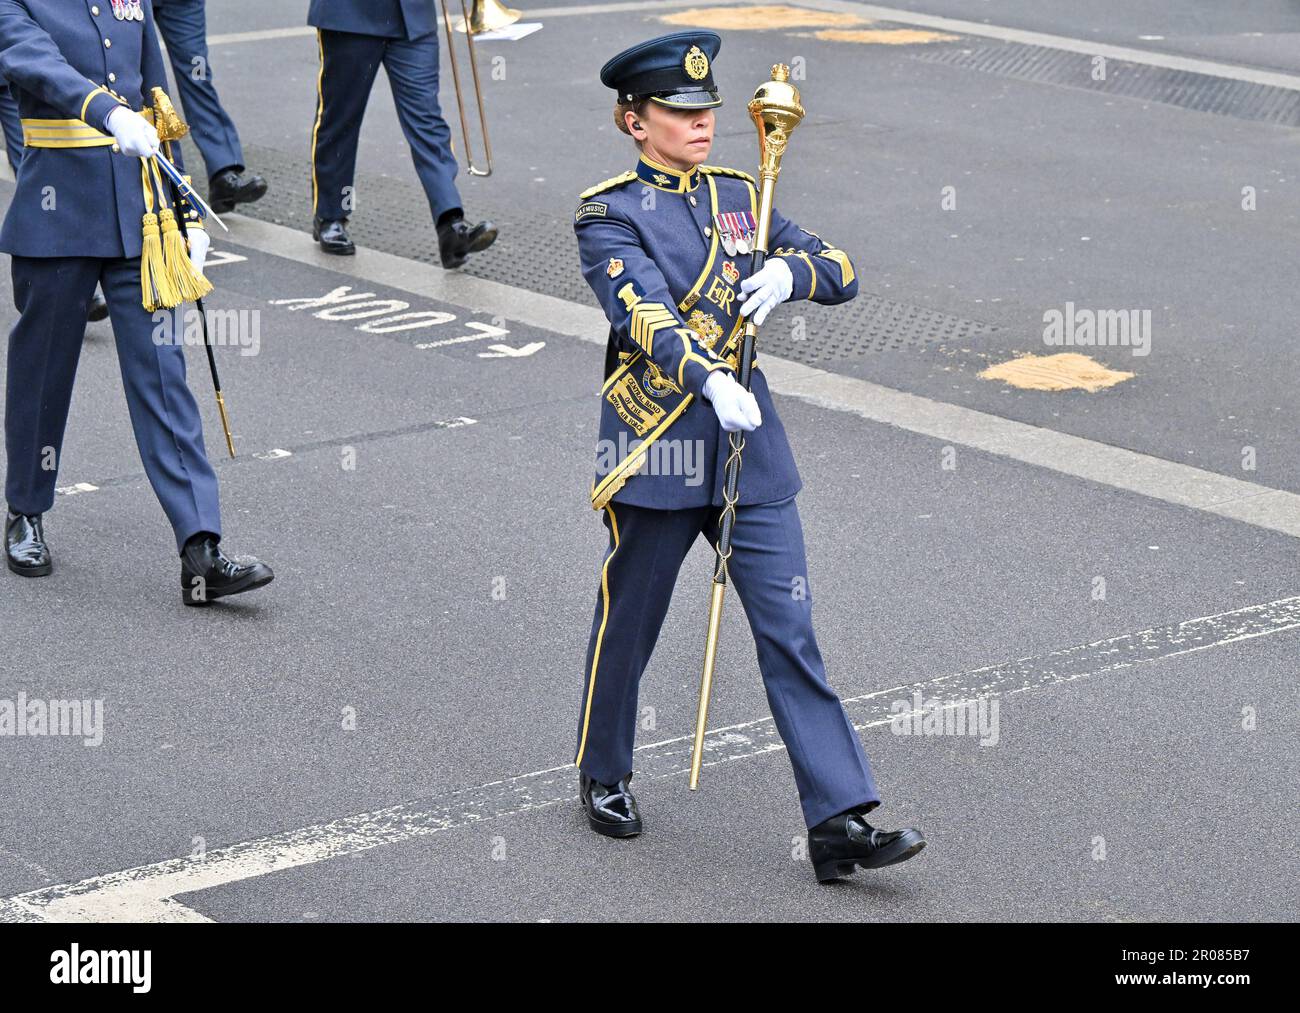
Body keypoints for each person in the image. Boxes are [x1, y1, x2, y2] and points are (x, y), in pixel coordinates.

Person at [571, 31, 925, 882]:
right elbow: (643, 314)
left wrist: (790, 277)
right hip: (660, 443)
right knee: (631, 625)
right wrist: (706, 377)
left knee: (790, 629)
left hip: (748, 453)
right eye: (678, 111)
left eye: (706, 110)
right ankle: (603, 768)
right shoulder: (607, 212)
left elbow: (841, 266)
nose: (700, 123)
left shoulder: (742, 194)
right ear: (633, 120)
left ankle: (838, 817)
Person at [0, 0, 273, 605]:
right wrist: (107, 114)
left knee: (163, 371)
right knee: (44, 370)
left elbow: (159, 106)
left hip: (137, 216)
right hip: (59, 208)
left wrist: (184, 212)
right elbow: (36, 64)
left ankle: (199, 547)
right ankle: (26, 509)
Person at [306, 0, 498, 267]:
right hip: (351, 16)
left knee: (427, 120)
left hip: (413, 18)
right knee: (341, 120)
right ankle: (331, 215)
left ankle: (450, 223)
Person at [150, 0, 268, 214]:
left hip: (182, 5)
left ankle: (223, 174)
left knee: (198, 76)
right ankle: (134, 176)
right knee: (131, 76)